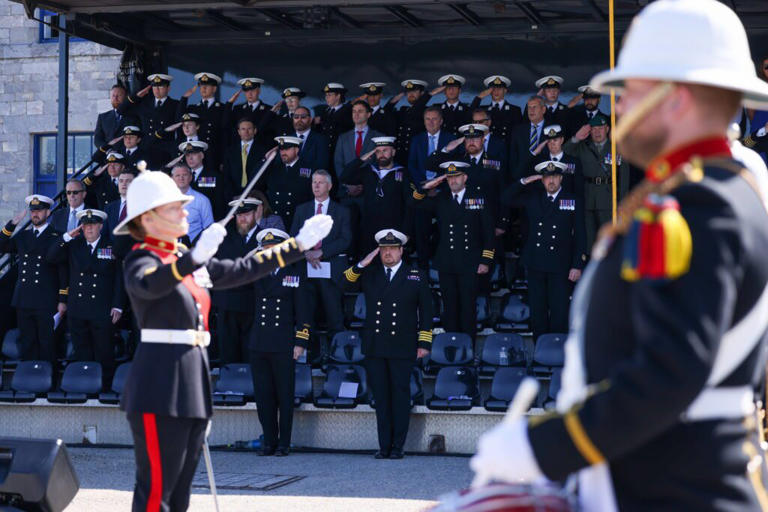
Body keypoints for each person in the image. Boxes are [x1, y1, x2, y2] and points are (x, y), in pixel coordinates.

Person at [470, 2, 768, 511]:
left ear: (676, 97)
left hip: (678, 490)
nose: (620, 104)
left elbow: (670, 373)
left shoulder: (703, 203)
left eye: (631, 89)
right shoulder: (701, 189)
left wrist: (542, 448)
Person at [113, 168, 332, 512]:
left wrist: (298, 245)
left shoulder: (183, 259)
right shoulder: (143, 257)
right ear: (152, 217)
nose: (186, 211)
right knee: (157, 488)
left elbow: (243, 268)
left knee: (180, 490)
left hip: (191, 383)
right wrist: (194, 258)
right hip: (158, 383)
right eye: (176, 207)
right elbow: (149, 285)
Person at [343, 229, 433, 459]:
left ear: (401, 250)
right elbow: (344, 282)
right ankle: (384, 446)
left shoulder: (415, 274)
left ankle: (397, 446)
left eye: (392, 249)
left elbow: (427, 311)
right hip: (376, 345)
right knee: (381, 397)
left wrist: (424, 343)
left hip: (402, 345)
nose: (388, 253)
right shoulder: (371, 274)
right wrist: (363, 263)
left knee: (400, 397)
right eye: (383, 249)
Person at [502, 161, 586, 339]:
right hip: (535, 263)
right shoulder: (533, 197)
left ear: (561, 178)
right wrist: (524, 181)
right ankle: (540, 349)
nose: (551, 181)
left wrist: (577, 264)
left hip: (561, 264)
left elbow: (580, 235)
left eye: (555, 177)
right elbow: (505, 198)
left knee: (559, 310)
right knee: (538, 309)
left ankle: (556, 349)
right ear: (542, 180)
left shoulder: (572, 200)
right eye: (547, 177)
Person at [412, 162, 494, 339]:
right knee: (449, 307)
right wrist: (429, 186)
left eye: (456, 176)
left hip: (470, 261)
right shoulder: (441, 199)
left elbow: (488, 233)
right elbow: (414, 202)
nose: (453, 181)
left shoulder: (477, 199)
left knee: (467, 307)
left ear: (465, 177)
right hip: (446, 261)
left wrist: (485, 260)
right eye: (449, 178)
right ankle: (451, 346)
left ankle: (468, 349)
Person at [248, 228, 311, 457]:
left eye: (273, 248)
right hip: (259, 341)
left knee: (284, 395)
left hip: (284, 342)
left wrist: (300, 341)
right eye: (265, 249)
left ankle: (284, 442)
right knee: (264, 396)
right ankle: (269, 441)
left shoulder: (294, 273)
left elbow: (304, 311)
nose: (269, 252)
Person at [47, 209, 125, 389]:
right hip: (78, 308)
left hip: (101, 308)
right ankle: (85, 386)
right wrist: (67, 237)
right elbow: (51, 256)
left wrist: (118, 305)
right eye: (86, 225)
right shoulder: (74, 245)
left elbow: (119, 279)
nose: (89, 229)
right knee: (82, 349)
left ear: (100, 226)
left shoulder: (110, 246)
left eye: (93, 225)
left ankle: (104, 388)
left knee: (104, 351)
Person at [290, 170, 352, 362]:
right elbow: (294, 238)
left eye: (320, 182)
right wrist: (306, 252)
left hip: (331, 271)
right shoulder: (302, 210)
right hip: (307, 272)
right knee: (306, 318)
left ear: (330, 186)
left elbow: (346, 240)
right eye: (314, 182)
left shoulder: (341, 211)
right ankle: (311, 359)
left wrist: (322, 252)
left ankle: (338, 359)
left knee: (335, 318)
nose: (316, 186)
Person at [0, 195, 67, 363]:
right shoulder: (23, 236)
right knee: (27, 343)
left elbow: (63, 270)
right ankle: (29, 383)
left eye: (39, 211)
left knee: (47, 344)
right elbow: (1, 245)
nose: (35, 214)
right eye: (32, 211)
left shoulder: (57, 236)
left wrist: (62, 298)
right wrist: (11, 225)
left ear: (48, 212)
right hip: (24, 298)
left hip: (47, 299)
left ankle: (46, 385)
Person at [211, 198, 266, 364]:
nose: (242, 219)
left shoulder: (266, 239)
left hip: (254, 303)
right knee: (228, 353)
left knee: (252, 353)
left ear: (256, 213)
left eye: (247, 214)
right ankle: (229, 388)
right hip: (227, 303)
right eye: (239, 215)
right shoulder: (223, 237)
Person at [565, 113, 630, 251]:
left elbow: (624, 178)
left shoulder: (617, 148)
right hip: (588, 197)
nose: (597, 132)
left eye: (600, 128)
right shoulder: (583, 147)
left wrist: (623, 203)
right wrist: (576, 138)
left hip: (609, 199)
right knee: (589, 238)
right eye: (593, 129)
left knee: (608, 238)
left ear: (607, 129)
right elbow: (565, 152)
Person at [341, 137, 412, 256]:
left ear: (393, 152)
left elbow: (409, 204)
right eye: (378, 151)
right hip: (369, 229)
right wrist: (361, 160)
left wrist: (406, 231)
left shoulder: (403, 173)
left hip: (393, 229)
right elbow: (344, 176)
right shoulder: (368, 171)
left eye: (385, 150)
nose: (381, 154)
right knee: (370, 267)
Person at [259, 136, 314, 230]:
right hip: (275, 222)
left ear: (297, 150)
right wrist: (265, 159)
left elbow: (311, 197)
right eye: (281, 150)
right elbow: (255, 181)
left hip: (297, 222)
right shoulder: (274, 168)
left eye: (287, 149)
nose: (283, 153)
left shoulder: (307, 169)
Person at [117, 74, 180, 140]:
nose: (157, 89)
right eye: (154, 87)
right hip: (146, 146)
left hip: (165, 146)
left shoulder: (175, 105)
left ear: (168, 88)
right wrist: (136, 96)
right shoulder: (144, 104)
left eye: (160, 87)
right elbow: (121, 110)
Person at [181, 140, 230, 220]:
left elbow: (220, 203)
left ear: (202, 155)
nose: (190, 158)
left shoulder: (214, 176)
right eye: (187, 155)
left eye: (194, 154)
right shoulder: (181, 177)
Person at [221, 117, 267, 196]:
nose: (246, 132)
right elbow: (226, 175)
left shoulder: (263, 151)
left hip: (255, 194)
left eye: (249, 128)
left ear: (255, 131)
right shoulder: (230, 151)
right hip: (234, 195)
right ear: (239, 132)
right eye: (243, 129)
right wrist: (232, 194)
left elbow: (264, 175)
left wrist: (253, 194)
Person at [469, 75, 523, 142]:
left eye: (499, 89)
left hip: (507, 148)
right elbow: (469, 116)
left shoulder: (515, 110)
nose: (496, 91)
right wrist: (479, 97)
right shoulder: (483, 110)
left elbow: (518, 133)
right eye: (493, 89)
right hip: (488, 147)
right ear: (489, 91)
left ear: (505, 90)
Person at [170, 162, 213, 242]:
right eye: (177, 175)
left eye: (185, 175)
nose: (181, 178)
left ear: (190, 177)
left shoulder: (202, 200)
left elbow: (209, 228)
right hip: (170, 247)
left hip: (194, 248)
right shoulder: (165, 200)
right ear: (172, 179)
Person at [94, 83, 126, 149]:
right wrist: (107, 149)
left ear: (125, 96)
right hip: (108, 156)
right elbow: (97, 140)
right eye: (113, 96)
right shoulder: (102, 117)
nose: (115, 98)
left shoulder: (133, 116)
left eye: (118, 95)